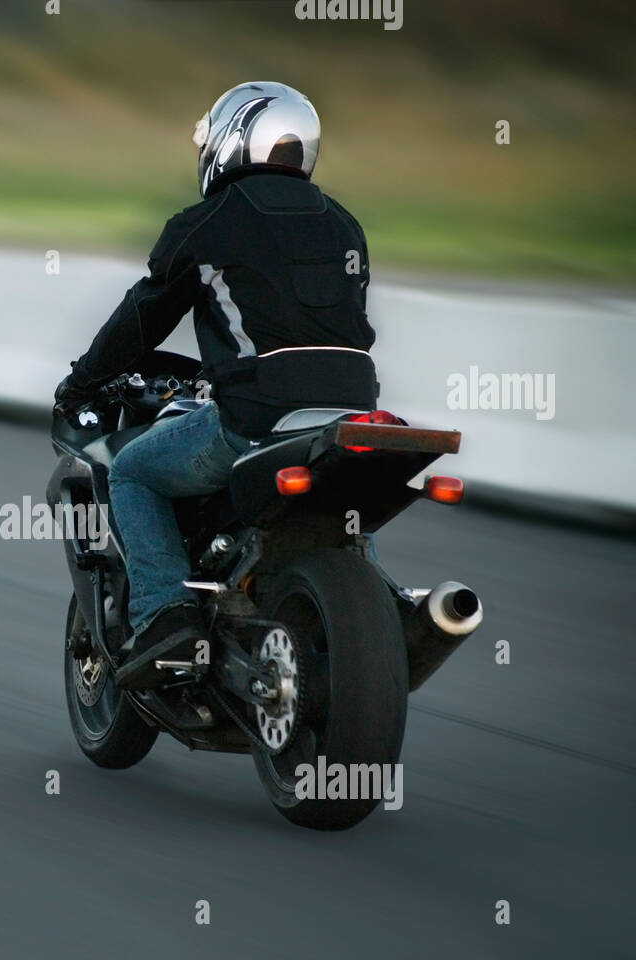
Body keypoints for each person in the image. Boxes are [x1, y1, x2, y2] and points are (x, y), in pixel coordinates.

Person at [53, 81, 378, 689]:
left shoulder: (210, 223)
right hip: (352, 414)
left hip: (258, 417)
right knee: (343, 509)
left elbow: (141, 319)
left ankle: (165, 617)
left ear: (231, 141)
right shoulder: (344, 224)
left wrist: (79, 384)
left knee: (133, 473)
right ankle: (380, 614)